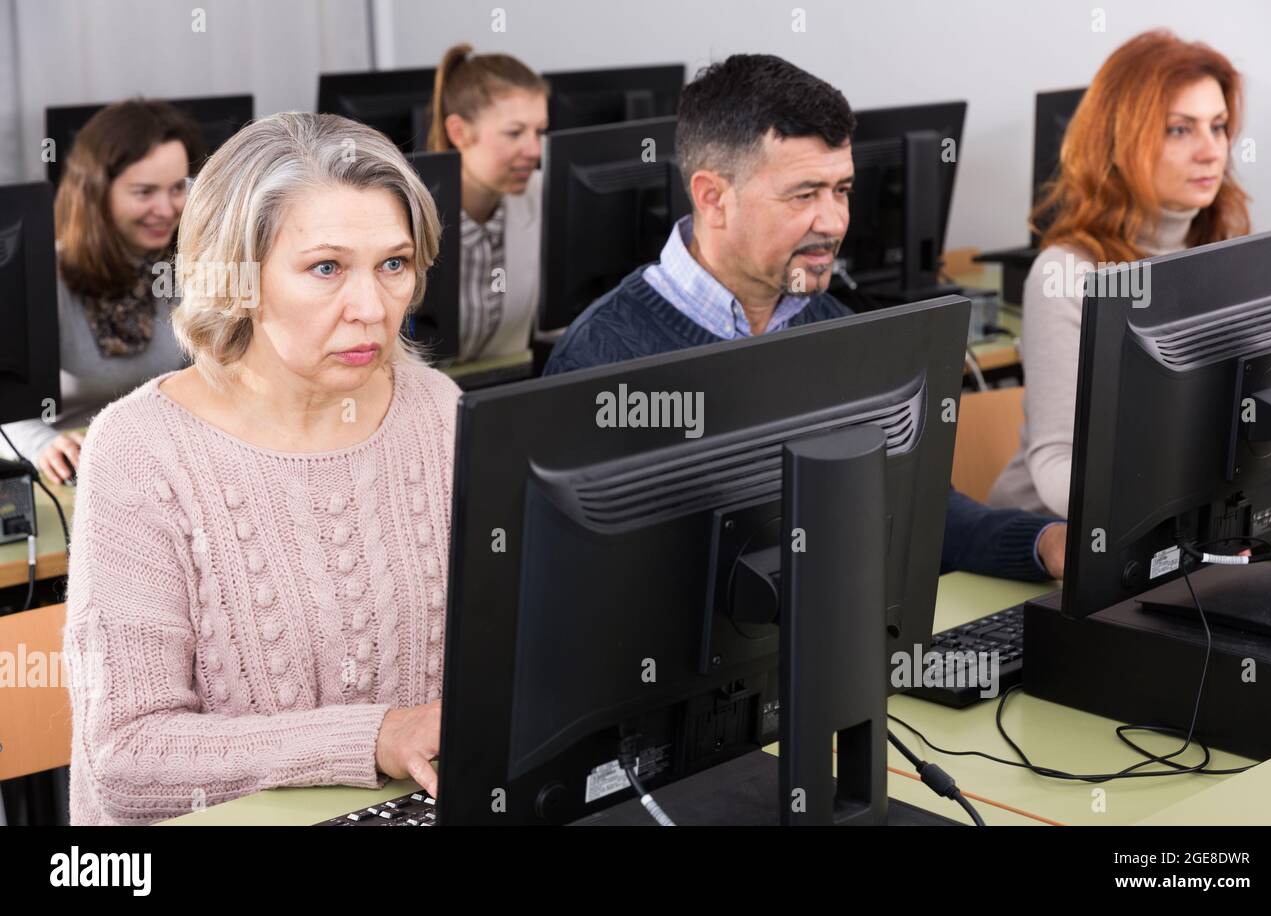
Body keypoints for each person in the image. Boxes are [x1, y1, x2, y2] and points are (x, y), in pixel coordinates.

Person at [64, 113, 459, 825]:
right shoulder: (139, 450)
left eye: (394, 264)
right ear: (237, 277)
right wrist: (372, 738)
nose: (371, 308)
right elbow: (126, 756)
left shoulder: (436, 408)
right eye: (326, 268)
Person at [545, 54, 1066, 582]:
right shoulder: (598, 360)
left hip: (826, 649)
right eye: (804, 194)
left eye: (841, 190)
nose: (835, 221)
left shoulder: (835, 326)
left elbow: (913, 506)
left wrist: (1041, 543)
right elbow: (575, 589)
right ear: (712, 198)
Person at [989, 30, 1250, 518]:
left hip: (1179, 523)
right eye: (1180, 129)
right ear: (1121, 141)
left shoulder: (1220, 250)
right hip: (1053, 536)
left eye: (1218, 126)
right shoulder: (1067, 273)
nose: (1211, 151)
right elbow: (1056, 460)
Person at [1, 99, 205, 483]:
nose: (166, 208)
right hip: (76, 467)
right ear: (96, 193)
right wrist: (43, 444)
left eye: (177, 188)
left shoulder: (189, 263)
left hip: (165, 459)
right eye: (144, 192)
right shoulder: (49, 276)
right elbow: (6, 408)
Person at [428, 43, 547, 363]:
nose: (534, 150)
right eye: (514, 133)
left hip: (504, 395)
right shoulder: (406, 218)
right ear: (459, 132)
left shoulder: (542, 196)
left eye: (539, 132)